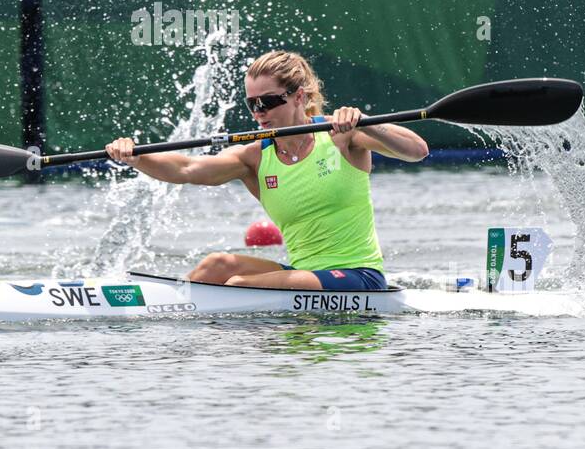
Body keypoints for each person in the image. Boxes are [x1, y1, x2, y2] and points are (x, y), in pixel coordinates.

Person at [105, 49, 430, 291]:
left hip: (359, 276)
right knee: (215, 266)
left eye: (269, 102)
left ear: (299, 97)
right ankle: (173, 319)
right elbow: (187, 168)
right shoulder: (254, 158)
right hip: (305, 274)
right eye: (252, 104)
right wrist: (136, 157)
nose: (259, 112)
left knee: (238, 287)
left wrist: (368, 126)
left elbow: (417, 151)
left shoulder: (341, 136)